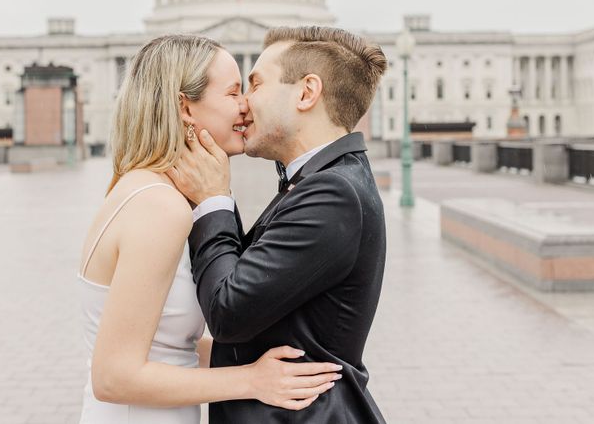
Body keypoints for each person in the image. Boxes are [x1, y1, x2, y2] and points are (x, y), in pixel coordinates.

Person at [77, 34, 342, 424]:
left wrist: (270, 358)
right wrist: (251, 380)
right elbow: (114, 376)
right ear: (185, 106)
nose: (246, 105)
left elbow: (168, 346)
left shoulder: (143, 188)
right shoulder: (159, 206)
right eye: (234, 92)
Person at [169, 26, 389, 423]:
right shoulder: (323, 180)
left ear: (306, 92)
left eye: (255, 84)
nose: (243, 103)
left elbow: (227, 312)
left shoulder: (332, 193)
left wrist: (213, 201)